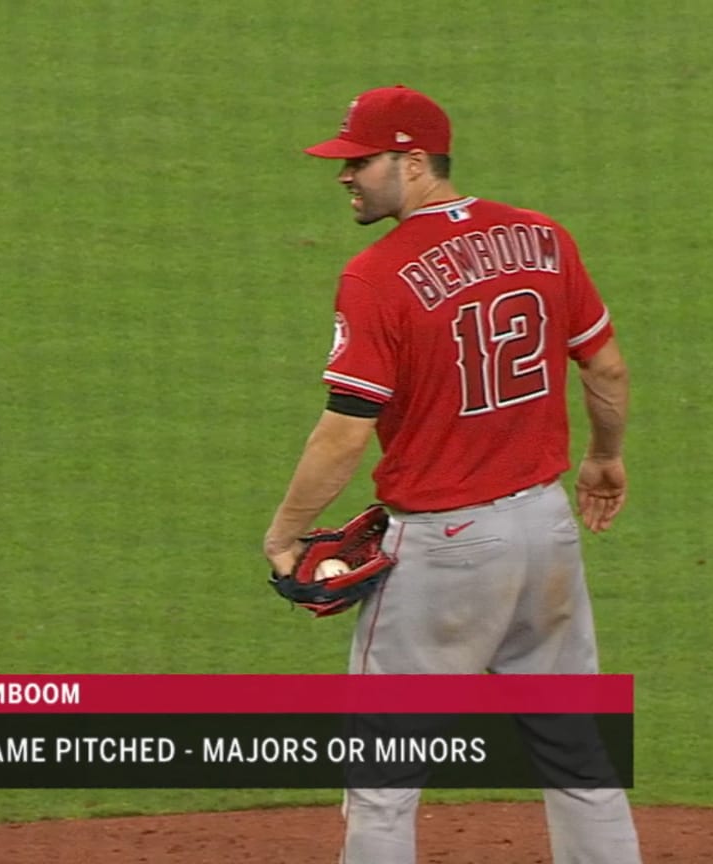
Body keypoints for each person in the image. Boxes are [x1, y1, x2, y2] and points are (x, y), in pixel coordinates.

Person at [262, 85, 642, 864]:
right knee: (578, 759)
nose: (345, 176)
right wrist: (604, 456)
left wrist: (286, 532)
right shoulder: (544, 238)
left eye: (359, 161)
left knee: (382, 778)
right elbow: (604, 367)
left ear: (412, 161)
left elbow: (344, 433)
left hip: (445, 547)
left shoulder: (378, 275)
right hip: (547, 531)